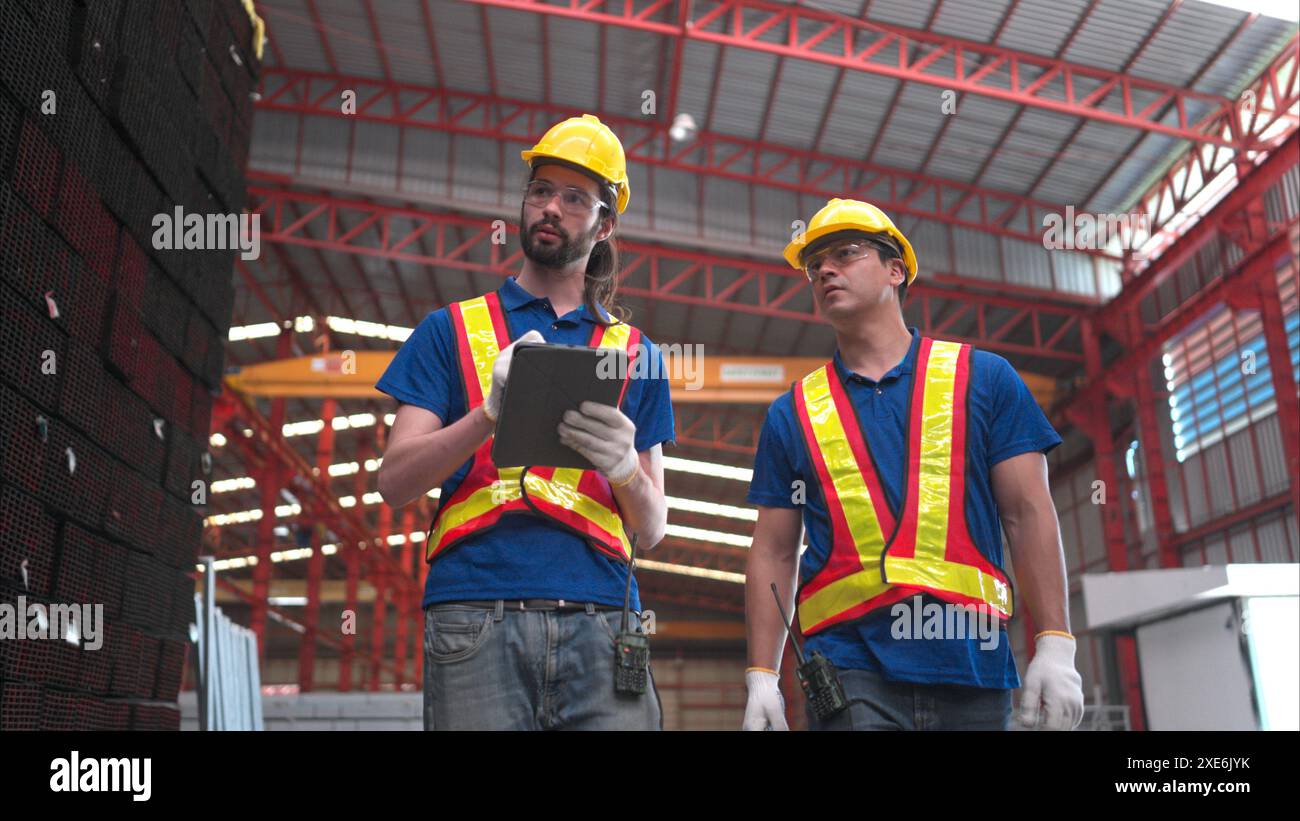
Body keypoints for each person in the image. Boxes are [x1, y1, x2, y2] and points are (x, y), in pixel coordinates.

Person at [375, 114, 674, 730]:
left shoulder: (639, 355)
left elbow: (653, 527)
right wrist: (486, 415)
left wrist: (624, 468)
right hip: (475, 613)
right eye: (540, 190)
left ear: (605, 223)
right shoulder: (449, 330)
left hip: (602, 617)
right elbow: (395, 481)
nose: (551, 207)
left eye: (573, 198)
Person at [742, 198, 1084, 731]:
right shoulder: (793, 413)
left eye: (845, 254)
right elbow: (774, 549)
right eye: (815, 266)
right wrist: (762, 675)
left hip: (974, 668)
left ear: (896, 269)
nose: (825, 270)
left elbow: (1027, 512)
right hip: (848, 670)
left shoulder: (985, 379)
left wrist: (1056, 643)